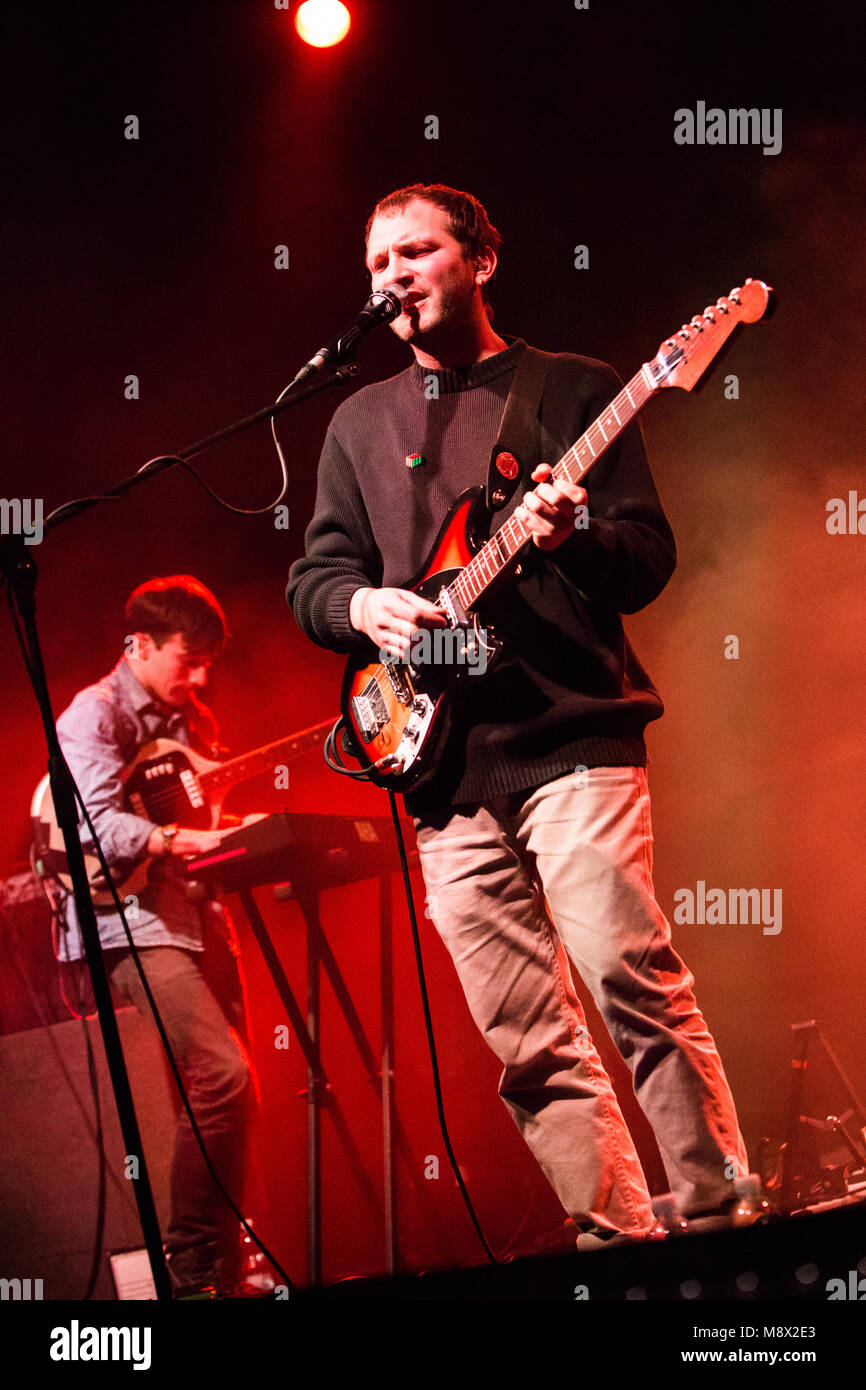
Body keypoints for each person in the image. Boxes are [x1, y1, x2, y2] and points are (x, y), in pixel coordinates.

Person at [286, 184, 749, 1248]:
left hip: (570, 737)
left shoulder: (576, 388)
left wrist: (568, 534)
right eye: (375, 263)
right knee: (527, 1042)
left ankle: (730, 1223)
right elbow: (314, 578)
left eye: (414, 252)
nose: (389, 276)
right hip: (442, 770)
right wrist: (361, 604)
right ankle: (612, 1241)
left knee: (628, 982)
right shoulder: (356, 422)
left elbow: (642, 563)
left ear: (480, 258)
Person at [54, 575, 258, 1294]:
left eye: (209, 664)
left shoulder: (191, 721)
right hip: (124, 921)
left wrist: (235, 834)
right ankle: (193, 1265)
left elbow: (203, 817)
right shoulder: (93, 715)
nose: (200, 677)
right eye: (187, 660)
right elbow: (89, 824)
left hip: (197, 915)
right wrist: (173, 839)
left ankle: (226, 1271)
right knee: (225, 1077)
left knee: (229, 1091)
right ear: (137, 645)